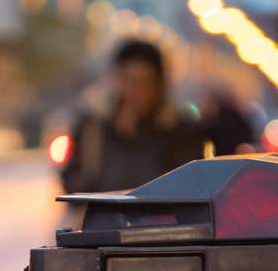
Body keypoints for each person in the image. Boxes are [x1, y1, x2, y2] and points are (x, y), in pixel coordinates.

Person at [60, 39, 202, 194]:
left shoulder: (178, 129)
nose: (133, 91)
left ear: (159, 85)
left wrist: (139, 137)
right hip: (105, 217)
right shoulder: (93, 124)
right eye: (127, 80)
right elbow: (73, 183)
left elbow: (188, 187)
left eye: (142, 82)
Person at [199, 86, 262, 156]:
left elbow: (207, 134)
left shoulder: (216, 118)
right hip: (236, 155)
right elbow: (248, 134)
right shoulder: (237, 116)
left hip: (221, 155)